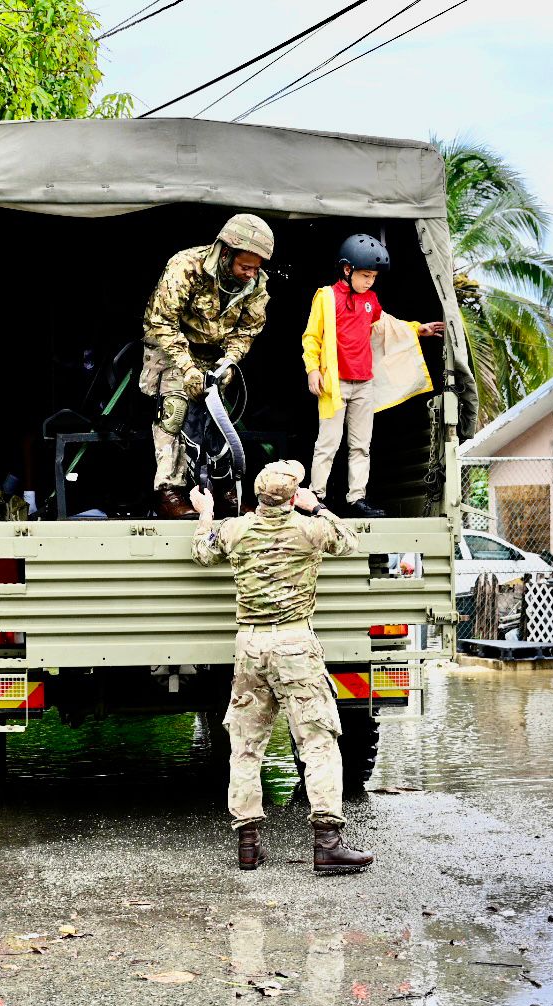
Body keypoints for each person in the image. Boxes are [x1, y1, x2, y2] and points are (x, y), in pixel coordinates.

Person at [191, 459, 374, 875]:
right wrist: (318, 507)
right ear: (294, 496)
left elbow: (202, 553)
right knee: (318, 742)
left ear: (257, 495)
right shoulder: (310, 530)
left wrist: (205, 515)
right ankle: (327, 845)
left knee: (246, 745)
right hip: (295, 644)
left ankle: (249, 845)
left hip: (250, 645)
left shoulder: (235, 530)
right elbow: (349, 541)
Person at [142, 214, 274, 520]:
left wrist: (229, 362)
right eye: (245, 266)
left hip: (214, 353)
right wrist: (188, 369)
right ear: (225, 253)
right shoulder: (186, 267)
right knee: (175, 410)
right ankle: (168, 491)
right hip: (170, 346)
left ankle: (224, 488)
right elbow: (162, 322)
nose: (251, 274)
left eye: (256, 267)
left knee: (216, 417)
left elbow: (248, 330)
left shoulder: (255, 283)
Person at [302, 233, 444, 517]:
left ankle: (356, 500)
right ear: (347, 269)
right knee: (328, 443)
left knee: (361, 445)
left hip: (363, 383)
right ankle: (315, 498)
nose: (369, 281)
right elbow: (311, 337)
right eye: (365, 275)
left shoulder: (371, 300)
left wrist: (418, 328)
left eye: (373, 277)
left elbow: (387, 325)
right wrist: (313, 370)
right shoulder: (326, 297)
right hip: (335, 383)